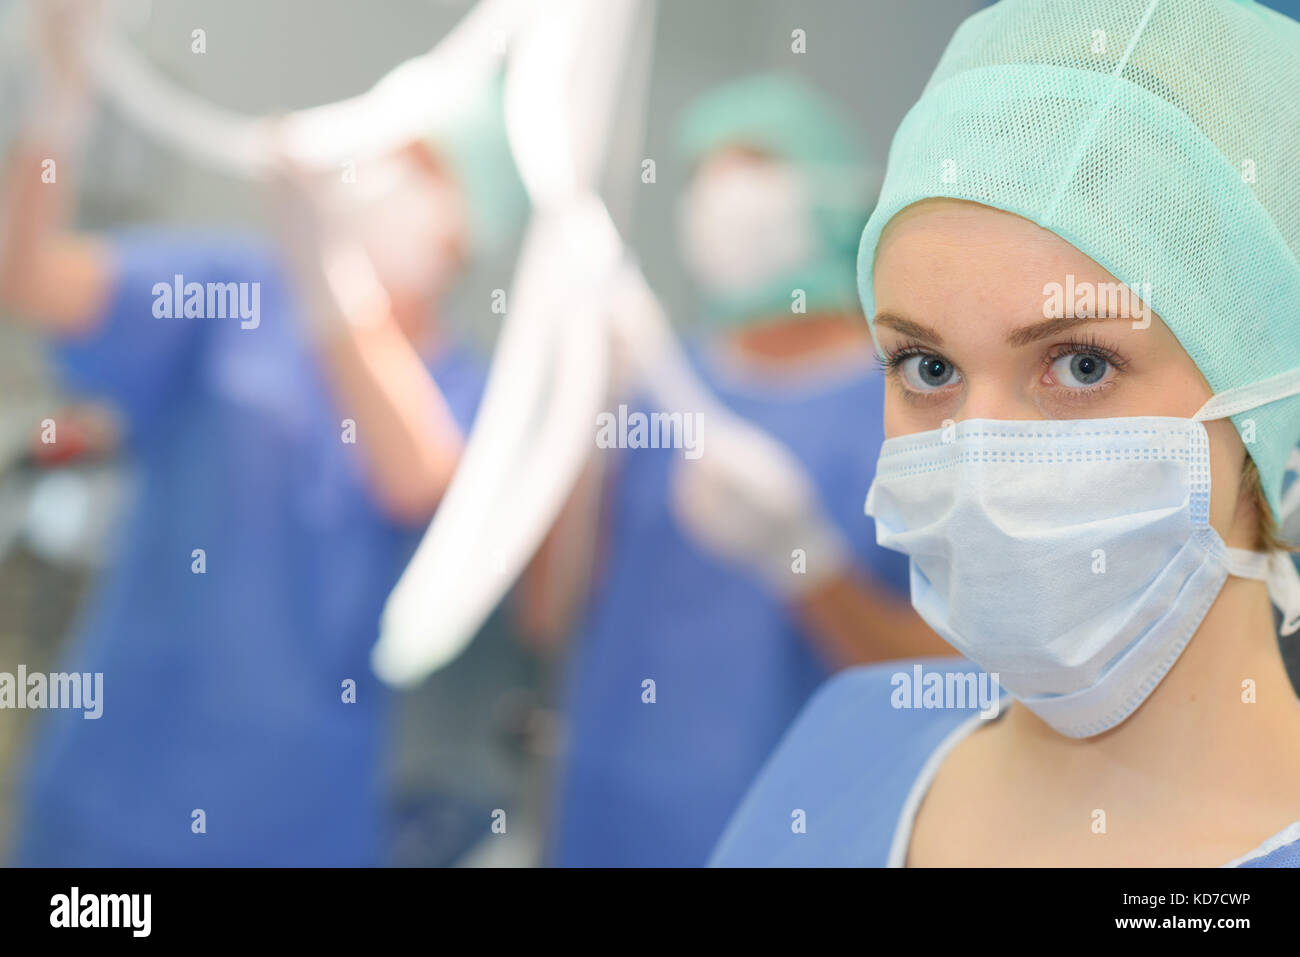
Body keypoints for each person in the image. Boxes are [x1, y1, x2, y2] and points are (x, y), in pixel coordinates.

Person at [710, 0, 1300, 868]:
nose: (976, 455)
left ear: (1269, 398)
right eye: (928, 367)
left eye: (1082, 364)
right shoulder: (849, 740)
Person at [0, 5, 526, 866]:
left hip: (286, 816)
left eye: (419, 166)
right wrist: (60, 98)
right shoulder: (236, 290)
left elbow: (417, 479)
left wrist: (329, 288)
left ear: (465, 220)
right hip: (111, 789)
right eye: (383, 149)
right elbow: (28, 277)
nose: (380, 175)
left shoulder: (467, 393)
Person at [533, 74, 946, 868]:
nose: (724, 203)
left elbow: (958, 690)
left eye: (754, 170)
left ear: (832, 194)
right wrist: (571, 434)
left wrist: (811, 566)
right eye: (704, 177)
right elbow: (546, 616)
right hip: (606, 822)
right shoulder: (650, 387)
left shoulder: (912, 402)